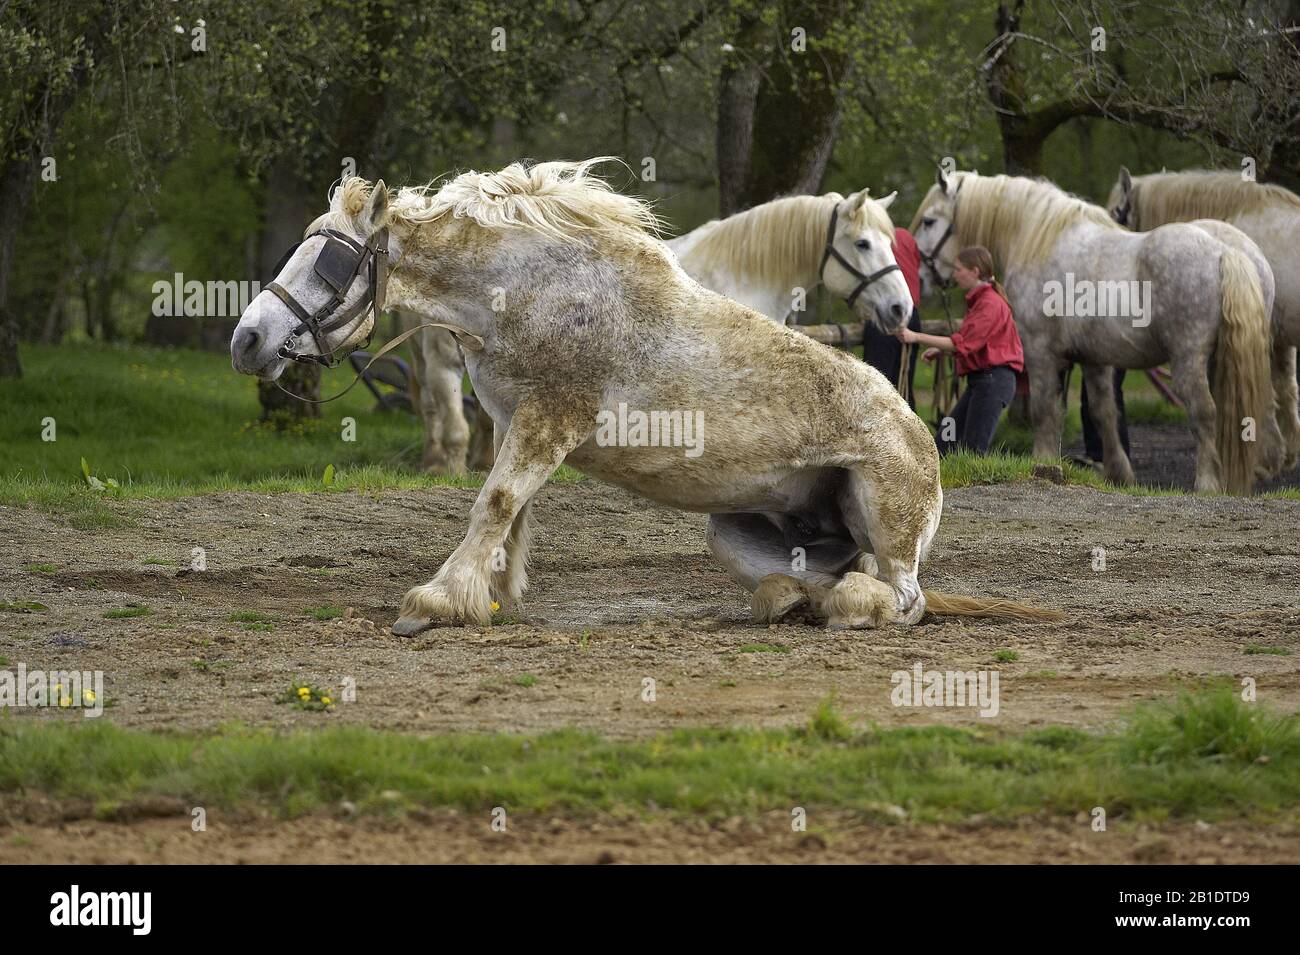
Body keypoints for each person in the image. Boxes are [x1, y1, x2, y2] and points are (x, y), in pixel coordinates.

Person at [895, 246, 1024, 454]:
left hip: (992, 383)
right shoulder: (981, 301)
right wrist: (940, 350)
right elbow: (975, 343)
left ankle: (975, 486)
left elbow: (962, 343)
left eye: (958, 269)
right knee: (944, 442)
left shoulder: (990, 304)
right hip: (981, 383)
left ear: (974, 271)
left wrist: (916, 337)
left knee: (973, 449)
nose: (954, 274)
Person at [861, 227, 923, 408]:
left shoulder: (871, 237)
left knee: (877, 389)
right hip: (911, 314)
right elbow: (916, 265)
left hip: (884, 316)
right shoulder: (905, 235)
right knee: (904, 387)